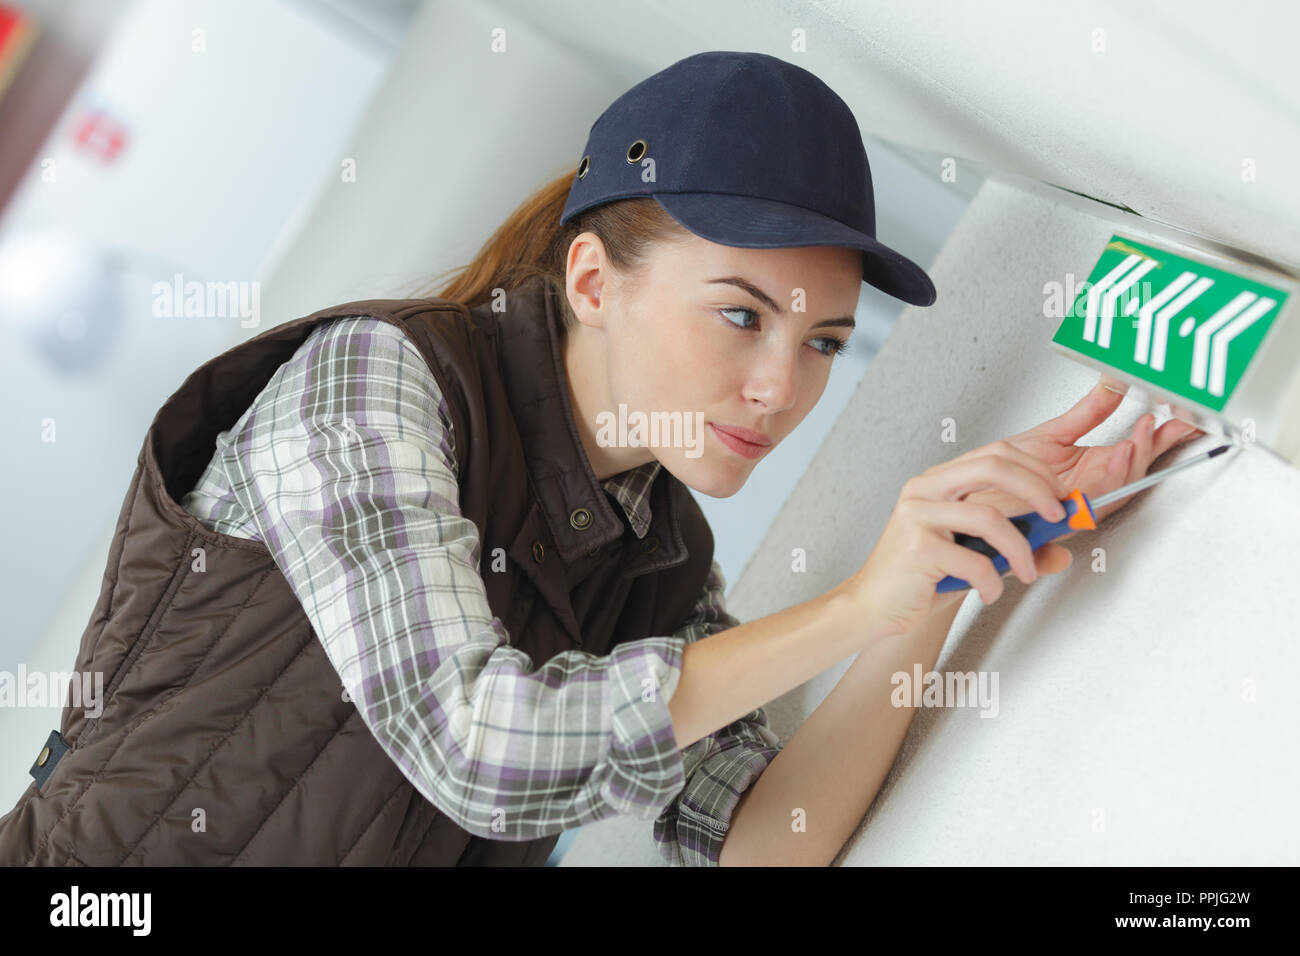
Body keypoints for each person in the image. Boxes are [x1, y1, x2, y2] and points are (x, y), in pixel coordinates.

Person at [0, 51, 1203, 868]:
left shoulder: (659, 559)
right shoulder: (379, 382)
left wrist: (942, 579)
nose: (779, 387)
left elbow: (755, 835)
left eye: (823, 340)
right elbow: (475, 744)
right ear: (590, 280)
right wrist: (852, 599)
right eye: (740, 314)